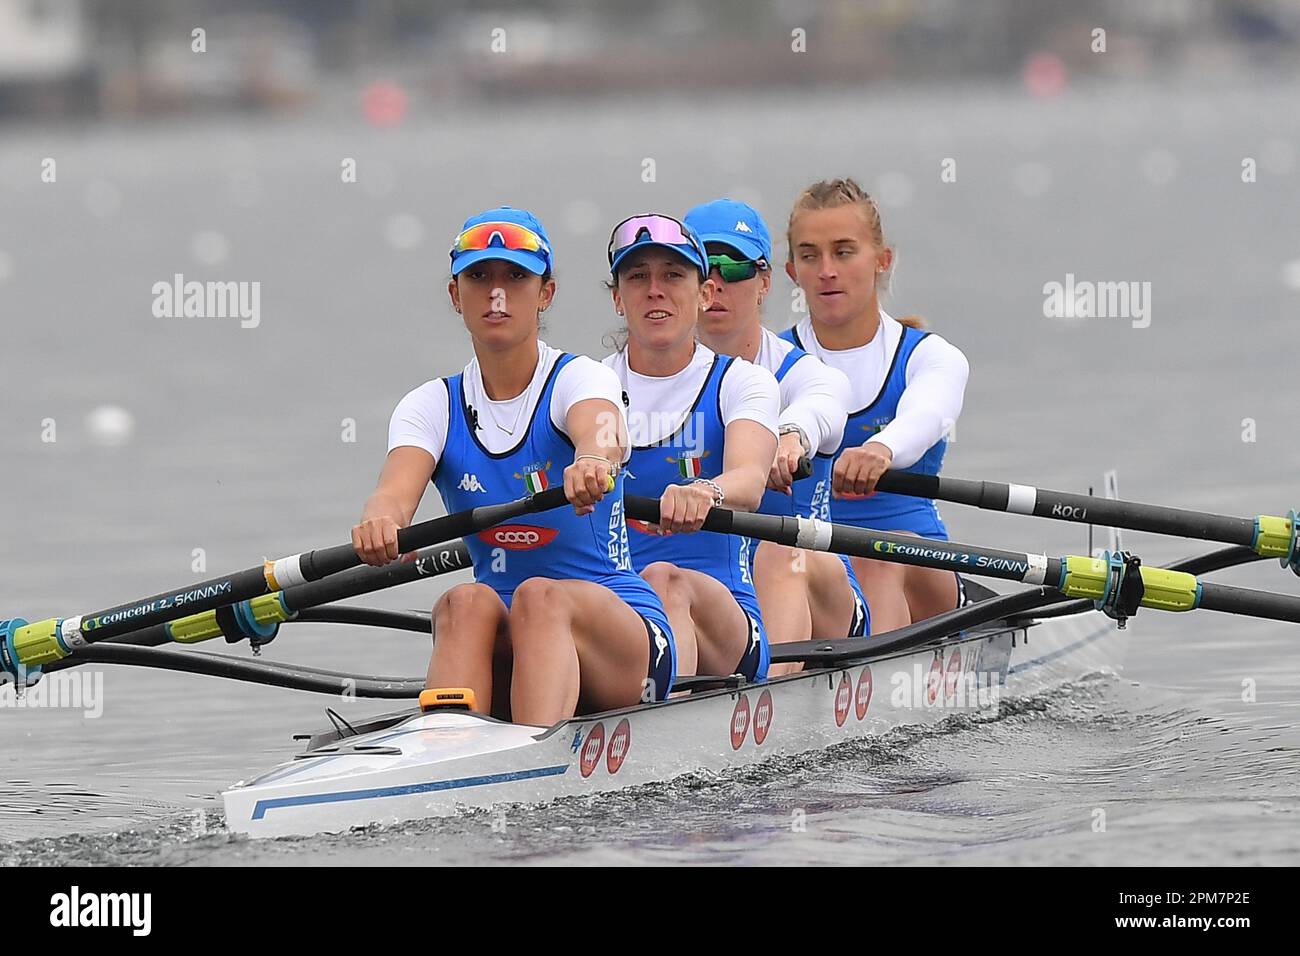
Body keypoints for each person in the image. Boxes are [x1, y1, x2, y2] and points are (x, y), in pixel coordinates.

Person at [353, 206, 676, 725]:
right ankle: (450, 752)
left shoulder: (580, 378)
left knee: (539, 597)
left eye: (515, 277)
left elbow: (604, 431)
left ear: (545, 293)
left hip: (624, 638)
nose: (495, 292)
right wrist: (382, 521)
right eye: (479, 276)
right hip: (504, 633)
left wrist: (593, 459)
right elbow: (394, 493)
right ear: (456, 296)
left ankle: (526, 765)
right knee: (462, 601)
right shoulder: (429, 406)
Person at [685, 198, 868, 676]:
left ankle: (769, 707)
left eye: (734, 267)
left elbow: (826, 402)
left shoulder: (804, 374)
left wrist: (790, 437)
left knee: (783, 555)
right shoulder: (638, 384)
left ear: (764, 282)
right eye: (701, 268)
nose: (715, 284)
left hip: (820, 592)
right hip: (713, 596)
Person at [782, 178, 970, 630]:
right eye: (810, 256)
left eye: (844, 252)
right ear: (792, 272)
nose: (826, 270)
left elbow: (926, 415)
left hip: (914, 562)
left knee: (877, 555)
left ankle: (874, 690)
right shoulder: (769, 365)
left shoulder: (930, 356)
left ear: (881, 261)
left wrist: (880, 450)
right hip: (814, 564)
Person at [602, 213, 779, 682]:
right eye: (637, 277)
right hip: (617, 613)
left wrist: (707, 492)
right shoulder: (586, 388)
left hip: (725, 623)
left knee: (664, 579)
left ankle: (665, 722)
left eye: (673, 275)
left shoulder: (741, 382)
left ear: (703, 294)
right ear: (618, 299)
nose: (655, 290)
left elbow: (749, 479)